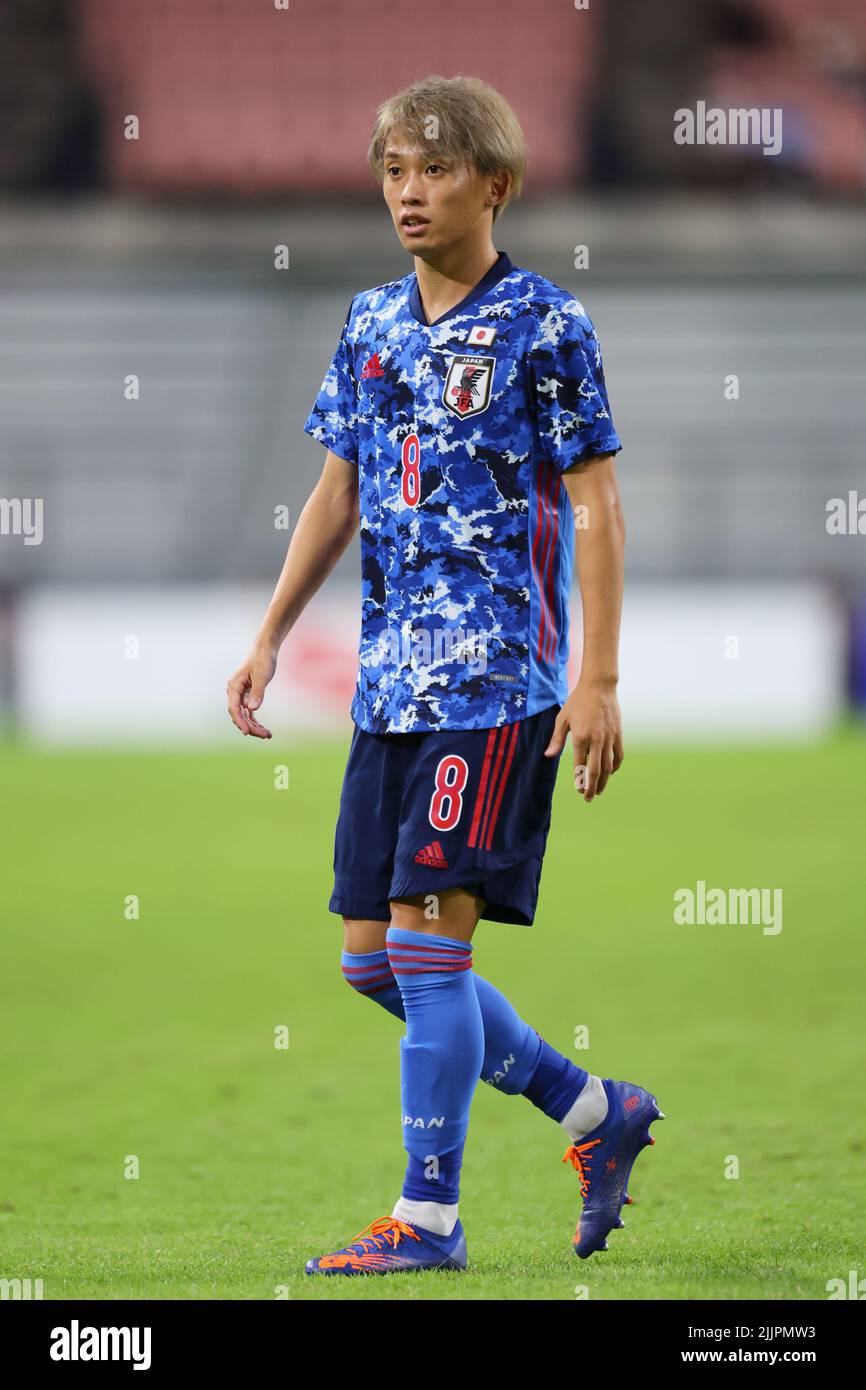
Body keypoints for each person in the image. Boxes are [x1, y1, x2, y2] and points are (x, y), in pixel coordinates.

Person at [226, 74, 663, 1277]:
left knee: (428, 952)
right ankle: (593, 1112)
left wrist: (599, 674)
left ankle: (426, 1218)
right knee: (371, 959)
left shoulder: (545, 325)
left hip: (499, 685)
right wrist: (270, 630)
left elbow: (593, 499)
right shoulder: (369, 322)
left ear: (496, 185)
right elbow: (338, 488)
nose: (407, 193)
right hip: (389, 690)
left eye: (432, 170)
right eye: (391, 171)